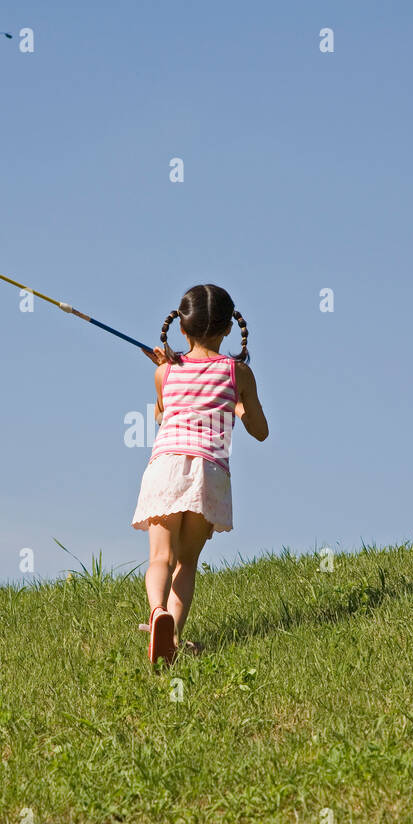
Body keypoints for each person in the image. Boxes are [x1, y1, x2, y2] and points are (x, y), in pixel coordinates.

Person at [131, 284, 269, 664]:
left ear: (182, 328)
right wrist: (238, 404)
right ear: (228, 329)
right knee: (186, 562)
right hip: (208, 471)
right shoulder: (238, 373)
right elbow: (260, 431)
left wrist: (164, 368)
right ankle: (171, 636)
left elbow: (161, 415)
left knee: (160, 557)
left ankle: (156, 612)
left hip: (166, 466)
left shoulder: (164, 373)